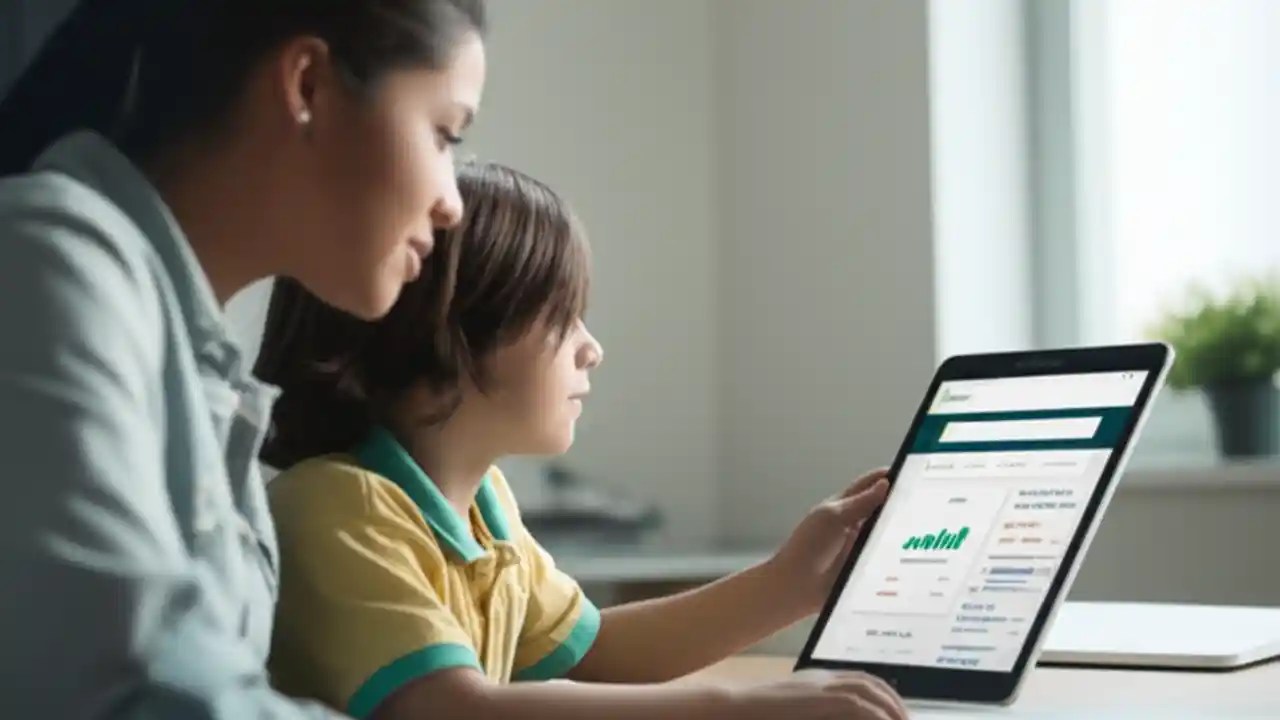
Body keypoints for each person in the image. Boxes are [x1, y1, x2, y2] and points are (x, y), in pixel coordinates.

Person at [256, 162, 909, 720]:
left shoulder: (484, 504)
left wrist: (788, 586)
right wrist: (733, 709)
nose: (591, 349)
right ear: (441, 344)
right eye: (560, 319)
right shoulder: (336, 507)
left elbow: (595, 651)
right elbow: (452, 708)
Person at [0, 0, 487, 716]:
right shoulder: (49, 259)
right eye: (444, 134)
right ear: (308, 86)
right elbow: (127, 692)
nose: (453, 205)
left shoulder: (199, 359)